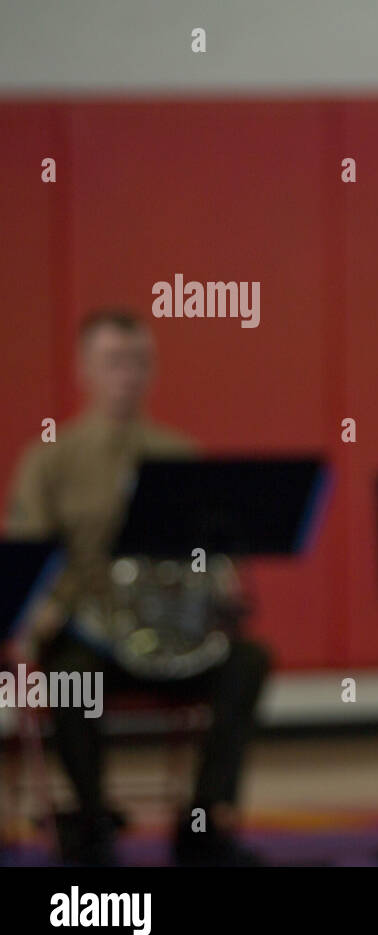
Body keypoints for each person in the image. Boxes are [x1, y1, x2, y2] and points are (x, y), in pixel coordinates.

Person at [4, 308, 271, 865]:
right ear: (84, 369)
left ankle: (204, 819)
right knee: (72, 676)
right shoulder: (49, 460)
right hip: (89, 637)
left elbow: (209, 557)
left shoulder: (180, 456)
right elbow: (25, 565)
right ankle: (92, 815)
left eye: (140, 362)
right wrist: (44, 614)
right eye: (114, 361)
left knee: (248, 660)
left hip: (169, 639)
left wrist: (224, 589)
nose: (128, 374)